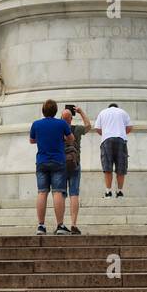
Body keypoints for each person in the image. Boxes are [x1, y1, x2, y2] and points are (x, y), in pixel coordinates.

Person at [29, 99, 71, 236]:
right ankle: (60, 225)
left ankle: (41, 225)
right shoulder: (62, 124)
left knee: (42, 192)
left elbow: (32, 140)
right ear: (55, 111)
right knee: (57, 192)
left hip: (42, 161)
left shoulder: (36, 124)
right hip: (58, 161)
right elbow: (70, 138)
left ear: (43, 110)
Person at [62, 104, 94, 234]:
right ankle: (74, 223)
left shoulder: (58, 129)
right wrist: (81, 112)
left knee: (61, 194)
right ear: (71, 119)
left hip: (61, 164)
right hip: (75, 163)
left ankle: (61, 224)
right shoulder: (77, 129)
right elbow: (88, 126)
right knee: (74, 194)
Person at [94, 102, 132, 197]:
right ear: (117, 107)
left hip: (106, 140)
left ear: (109, 107)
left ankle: (108, 191)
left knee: (107, 167)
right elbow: (129, 127)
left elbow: (97, 128)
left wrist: (106, 133)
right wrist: (121, 132)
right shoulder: (123, 112)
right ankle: (119, 191)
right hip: (121, 139)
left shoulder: (103, 112)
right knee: (121, 167)